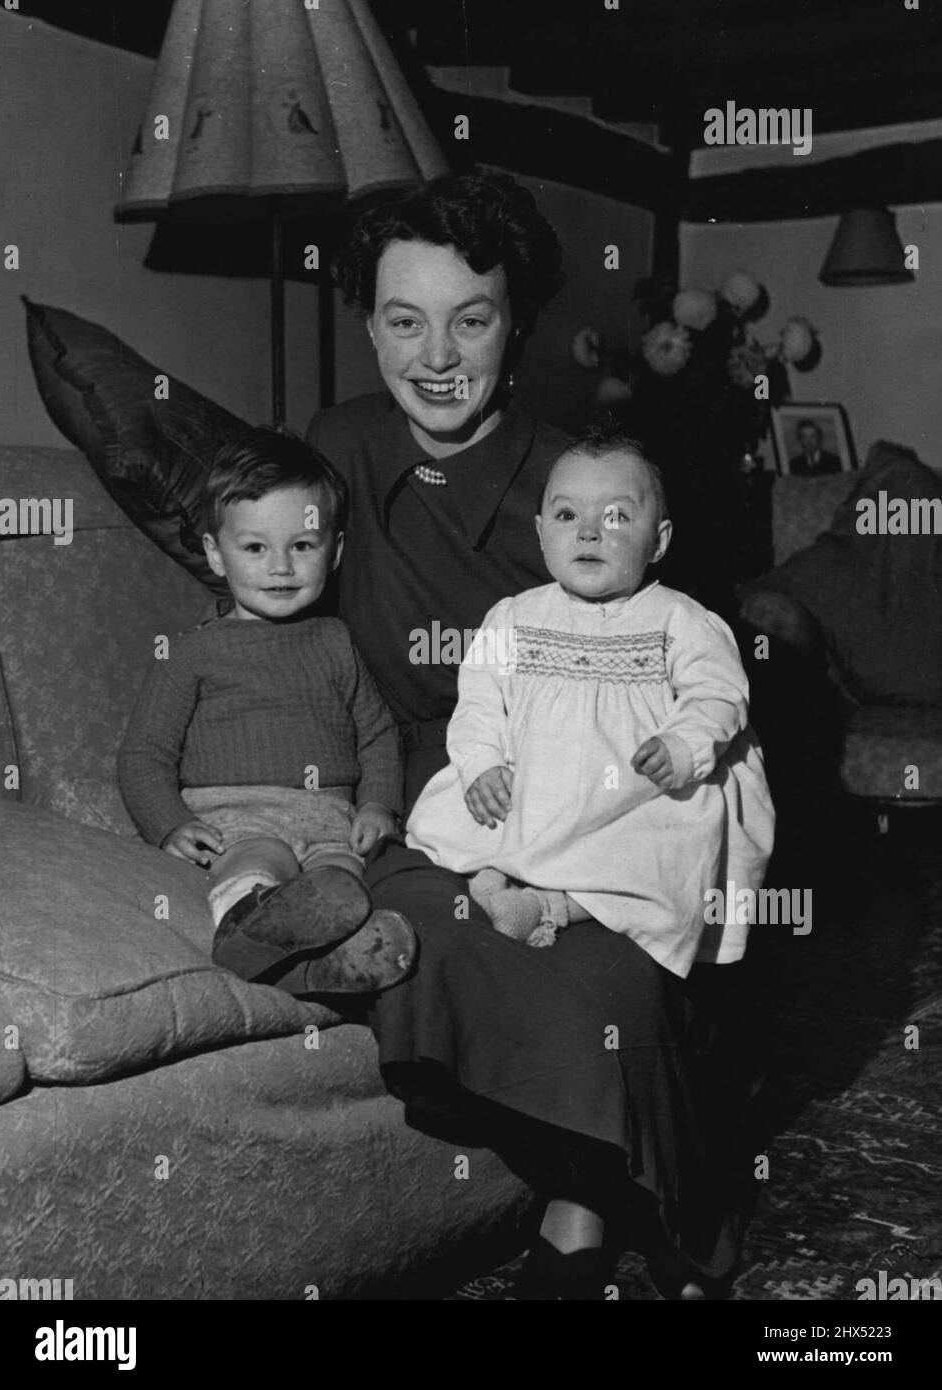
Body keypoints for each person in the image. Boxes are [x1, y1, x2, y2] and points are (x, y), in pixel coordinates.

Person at [307, 168, 754, 1299]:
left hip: (585, 807)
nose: (437, 354)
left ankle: (597, 1202)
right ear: (368, 327)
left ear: (518, 325)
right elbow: (234, 529)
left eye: (473, 316)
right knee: (427, 921)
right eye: (404, 320)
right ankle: (596, 1191)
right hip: (434, 801)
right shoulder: (339, 447)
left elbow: (676, 663)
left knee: (615, 978)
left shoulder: (584, 483)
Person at [406, 431, 775, 967]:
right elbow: (479, 704)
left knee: (668, 852)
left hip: (634, 793)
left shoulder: (682, 620)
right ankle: (496, 872)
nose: (588, 532)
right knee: (457, 822)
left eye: (617, 518)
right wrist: (481, 763)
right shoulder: (514, 617)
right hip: (537, 784)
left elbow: (718, 694)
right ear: (539, 533)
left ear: (660, 541)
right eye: (565, 516)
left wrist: (682, 745)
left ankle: (553, 904)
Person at [118, 431, 416, 997]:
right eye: (255, 548)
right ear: (214, 553)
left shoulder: (335, 640)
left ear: (336, 550)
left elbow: (377, 736)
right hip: (241, 817)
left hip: (330, 821)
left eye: (302, 546)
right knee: (263, 859)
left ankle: (317, 967)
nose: (280, 567)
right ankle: (242, 921)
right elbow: (144, 754)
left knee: (343, 883)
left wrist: (378, 803)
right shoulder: (195, 651)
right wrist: (169, 825)